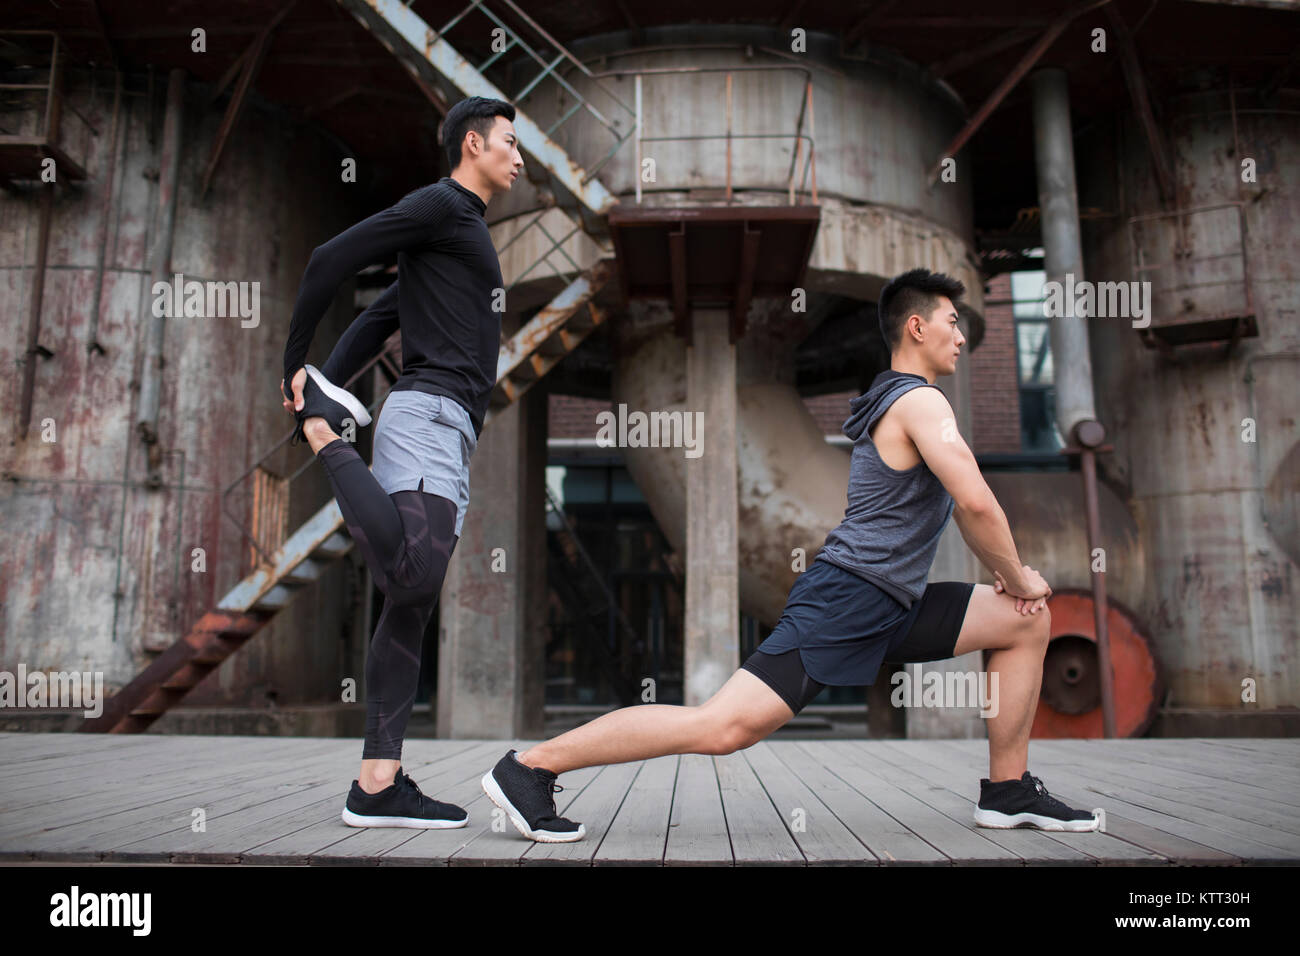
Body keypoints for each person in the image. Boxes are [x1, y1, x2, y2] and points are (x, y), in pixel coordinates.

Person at [481, 268, 1101, 842]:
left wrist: (1013, 588)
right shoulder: (920, 401)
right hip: (849, 598)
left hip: (894, 602)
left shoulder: (902, 399)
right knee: (722, 728)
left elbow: (970, 513)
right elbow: (978, 504)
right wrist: (1019, 575)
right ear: (918, 326)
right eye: (952, 321)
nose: (961, 336)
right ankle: (530, 768)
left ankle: (1008, 789)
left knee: (1025, 621)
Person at [279, 96, 523, 828]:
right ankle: (329, 438)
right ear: (472, 143)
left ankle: (377, 785)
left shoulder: (456, 237)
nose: (519, 157)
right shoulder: (444, 206)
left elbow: (377, 317)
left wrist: (326, 377)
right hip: (427, 414)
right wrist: (301, 381)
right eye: (510, 142)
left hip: (447, 430)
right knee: (416, 574)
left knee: (409, 605)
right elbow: (330, 259)